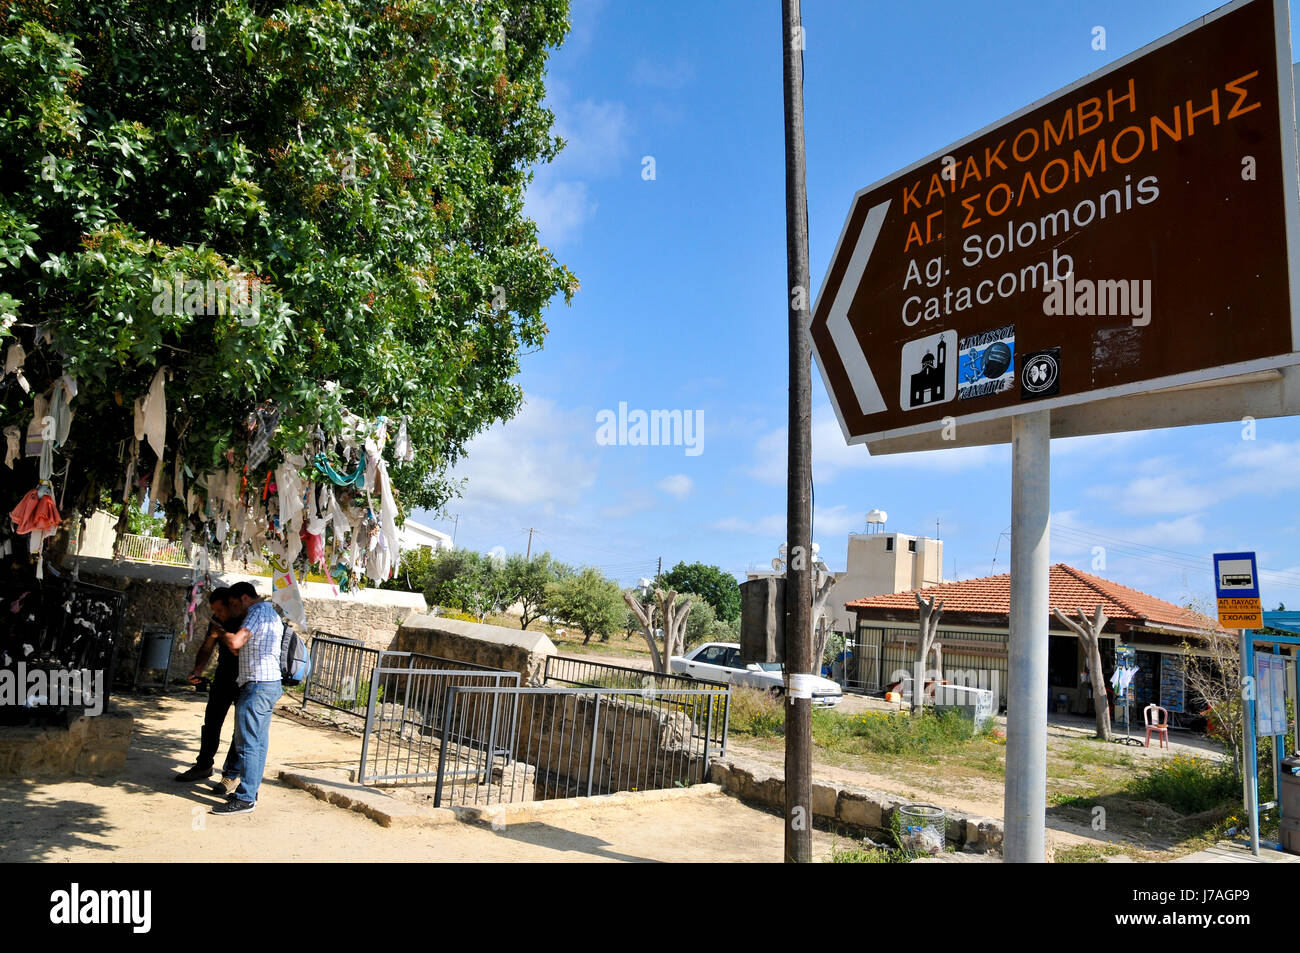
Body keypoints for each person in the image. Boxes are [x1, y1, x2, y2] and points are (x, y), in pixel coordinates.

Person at [210, 580, 283, 815]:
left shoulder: (254, 612)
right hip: (269, 683)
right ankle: (250, 790)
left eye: (233, 603)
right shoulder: (271, 612)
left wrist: (219, 631)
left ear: (244, 598)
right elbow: (241, 648)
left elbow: (235, 642)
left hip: (257, 686)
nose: (233, 609)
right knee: (258, 742)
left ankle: (245, 798)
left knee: (248, 743)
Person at [173, 587, 244, 796]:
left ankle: (231, 774)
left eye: (220, 610)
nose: (218, 615)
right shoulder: (217, 620)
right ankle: (203, 765)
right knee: (211, 721)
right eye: (215, 611)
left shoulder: (246, 621)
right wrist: (197, 669)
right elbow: (207, 646)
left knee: (240, 729)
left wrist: (220, 632)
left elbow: (237, 648)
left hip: (246, 680)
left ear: (232, 605)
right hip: (223, 676)